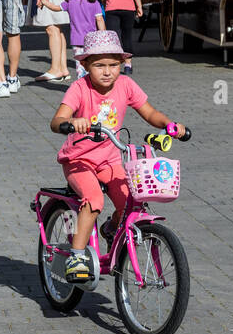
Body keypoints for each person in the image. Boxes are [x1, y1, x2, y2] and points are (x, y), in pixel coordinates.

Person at [49, 30, 185, 282]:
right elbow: (56, 121)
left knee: (131, 203)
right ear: (84, 65)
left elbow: (149, 112)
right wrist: (71, 122)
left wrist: (169, 125)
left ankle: (111, 229)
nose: (107, 71)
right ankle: (77, 255)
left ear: (122, 64)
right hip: (78, 160)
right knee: (94, 200)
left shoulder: (126, 85)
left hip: (110, 159)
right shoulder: (80, 87)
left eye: (113, 65)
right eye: (99, 65)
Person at [64, 0, 106, 78]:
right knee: (92, 63)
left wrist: (45, 3)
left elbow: (56, 8)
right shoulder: (94, 3)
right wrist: (104, 35)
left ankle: (81, 84)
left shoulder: (71, 1)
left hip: (76, 39)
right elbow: (99, 20)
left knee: (80, 64)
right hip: (91, 40)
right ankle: (91, 84)